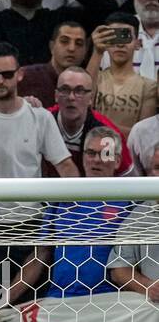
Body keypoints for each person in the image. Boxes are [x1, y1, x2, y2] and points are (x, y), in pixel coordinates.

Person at [8, 129, 131, 303]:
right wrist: (4, 301)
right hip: (60, 300)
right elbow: (40, 255)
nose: (97, 159)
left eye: (106, 153)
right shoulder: (62, 199)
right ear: (82, 156)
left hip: (109, 302)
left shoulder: (130, 202)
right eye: (91, 153)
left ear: (118, 161)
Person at [0, 43, 77, 179]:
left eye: (8, 74)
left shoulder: (41, 117)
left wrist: (81, 199)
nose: (1, 80)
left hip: (30, 200)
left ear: (20, 74)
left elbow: (64, 165)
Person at [46, 65, 131, 176]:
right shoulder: (41, 122)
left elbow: (126, 177)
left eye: (80, 91)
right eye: (65, 90)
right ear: (56, 95)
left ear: (91, 98)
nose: (71, 97)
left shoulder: (107, 134)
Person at [89, 13, 158, 135]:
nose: (120, 44)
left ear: (137, 43)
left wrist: (97, 126)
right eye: (114, 37)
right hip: (95, 150)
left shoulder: (149, 87)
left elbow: (142, 136)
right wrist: (97, 51)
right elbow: (82, 103)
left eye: (125, 36)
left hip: (126, 152)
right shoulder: (94, 78)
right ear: (106, 41)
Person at [108, 146, 159, 296]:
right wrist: (147, 286)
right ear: (150, 173)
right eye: (158, 168)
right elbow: (119, 270)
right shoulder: (137, 218)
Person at [18, 18, 89, 108]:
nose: (71, 48)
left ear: (85, 52)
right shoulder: (26, 77)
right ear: (52, 46)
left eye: (78, 43)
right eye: (64, 41)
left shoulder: (90, 81)